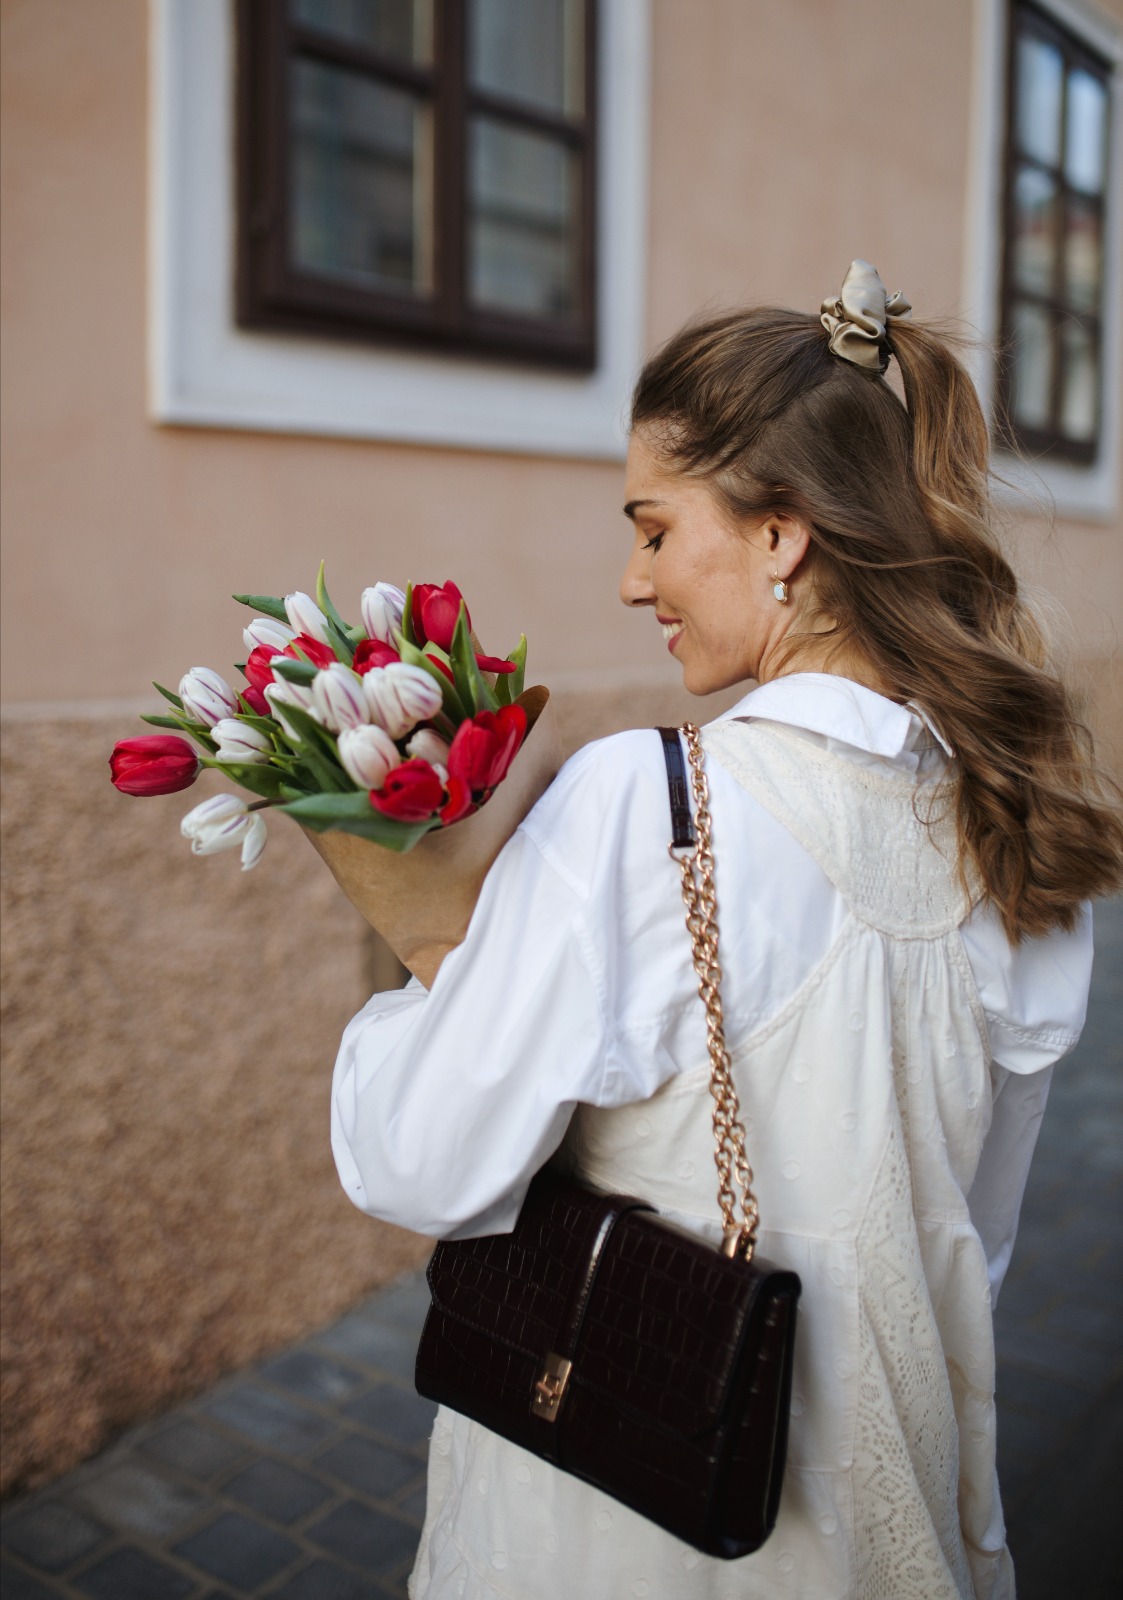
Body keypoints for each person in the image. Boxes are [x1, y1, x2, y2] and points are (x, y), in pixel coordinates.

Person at [329, 262, 1123, 1600]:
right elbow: (966, 1251)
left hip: (625, 1521)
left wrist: (424, 970)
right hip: (894, 1530)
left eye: (654, 527)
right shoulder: (1016, 831)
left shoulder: (644, 807)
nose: (635, 580)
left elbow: (423, 1165)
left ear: (780, 535)